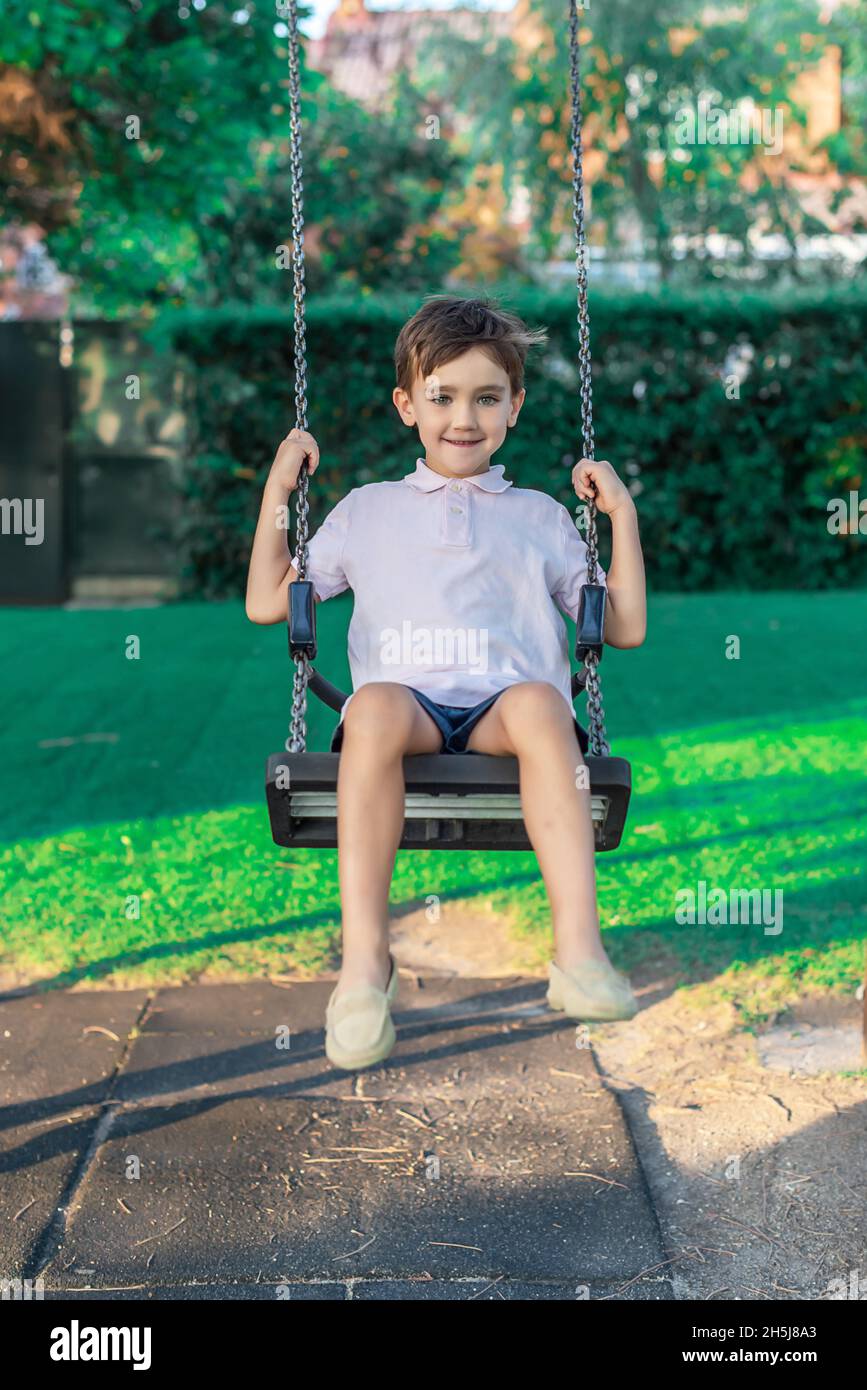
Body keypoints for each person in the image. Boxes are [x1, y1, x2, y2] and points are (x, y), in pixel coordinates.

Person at [246, 295, 647, 1070]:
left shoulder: (538, 516)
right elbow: (269, 601)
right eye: (443, 397)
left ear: (514, 407)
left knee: (539, 701)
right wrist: (276, 495)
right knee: (373, 707)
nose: (463, 417)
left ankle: (578, 954)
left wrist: (619, 514)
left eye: (486, 398)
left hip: (504, 713)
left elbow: (621, 626)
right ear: (408, 405)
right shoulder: (367, 511)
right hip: (409, 713)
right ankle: (365, 967)